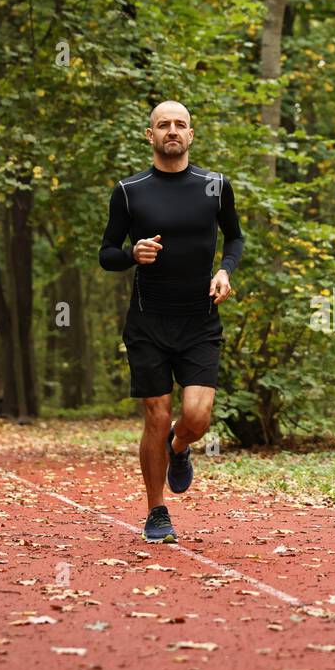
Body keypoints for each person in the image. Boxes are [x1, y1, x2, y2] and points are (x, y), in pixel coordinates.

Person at [98, 100, 244, 543]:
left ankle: (180, 450)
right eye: (164, 125)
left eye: (180, 125)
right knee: (156, 417)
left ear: (191, 134)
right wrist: (130, 254)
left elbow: (234, 236)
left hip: (200, 319)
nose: (172, 131)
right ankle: (156, 510)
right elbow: (107, 253)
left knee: (196, 418)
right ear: (151, 135)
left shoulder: (215, 185)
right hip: (148, 322)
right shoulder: (130, 190)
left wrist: (224, 270)